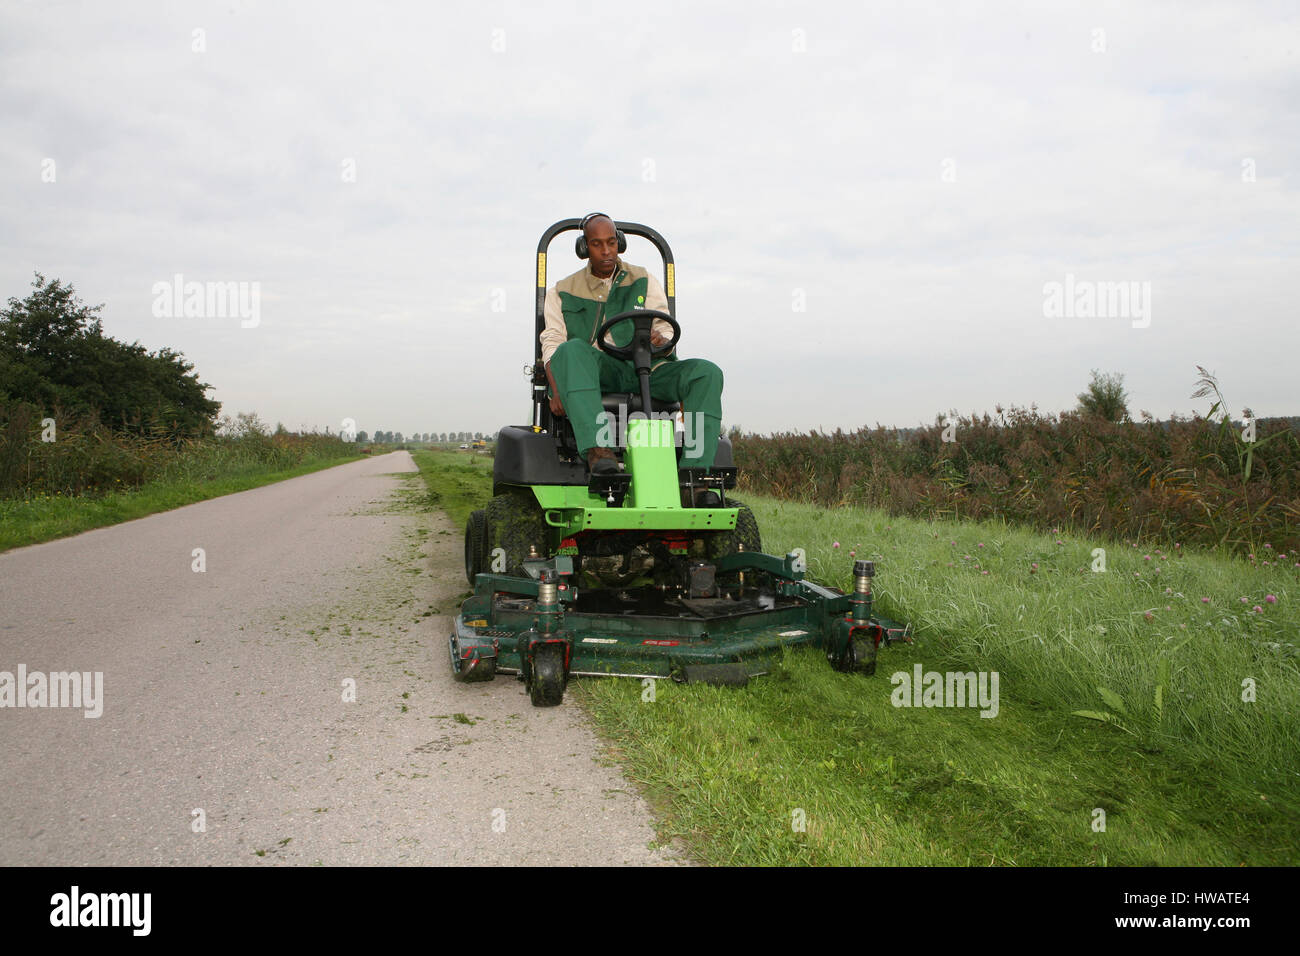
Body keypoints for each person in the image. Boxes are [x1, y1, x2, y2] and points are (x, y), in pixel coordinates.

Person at [541, 214, 724, 502]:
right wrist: (556, 387)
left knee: (707, 372)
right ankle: (600, 455)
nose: (606, 251)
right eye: (597, 244)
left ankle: (693, 479)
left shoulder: (643, 280)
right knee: (572, 348)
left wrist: (660, 340)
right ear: (584, 248)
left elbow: (664, 328)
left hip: (649, 369)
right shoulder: (563, 291)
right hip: (599, 371)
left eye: (612, 243)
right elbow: (552, 343)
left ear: (620, 243)